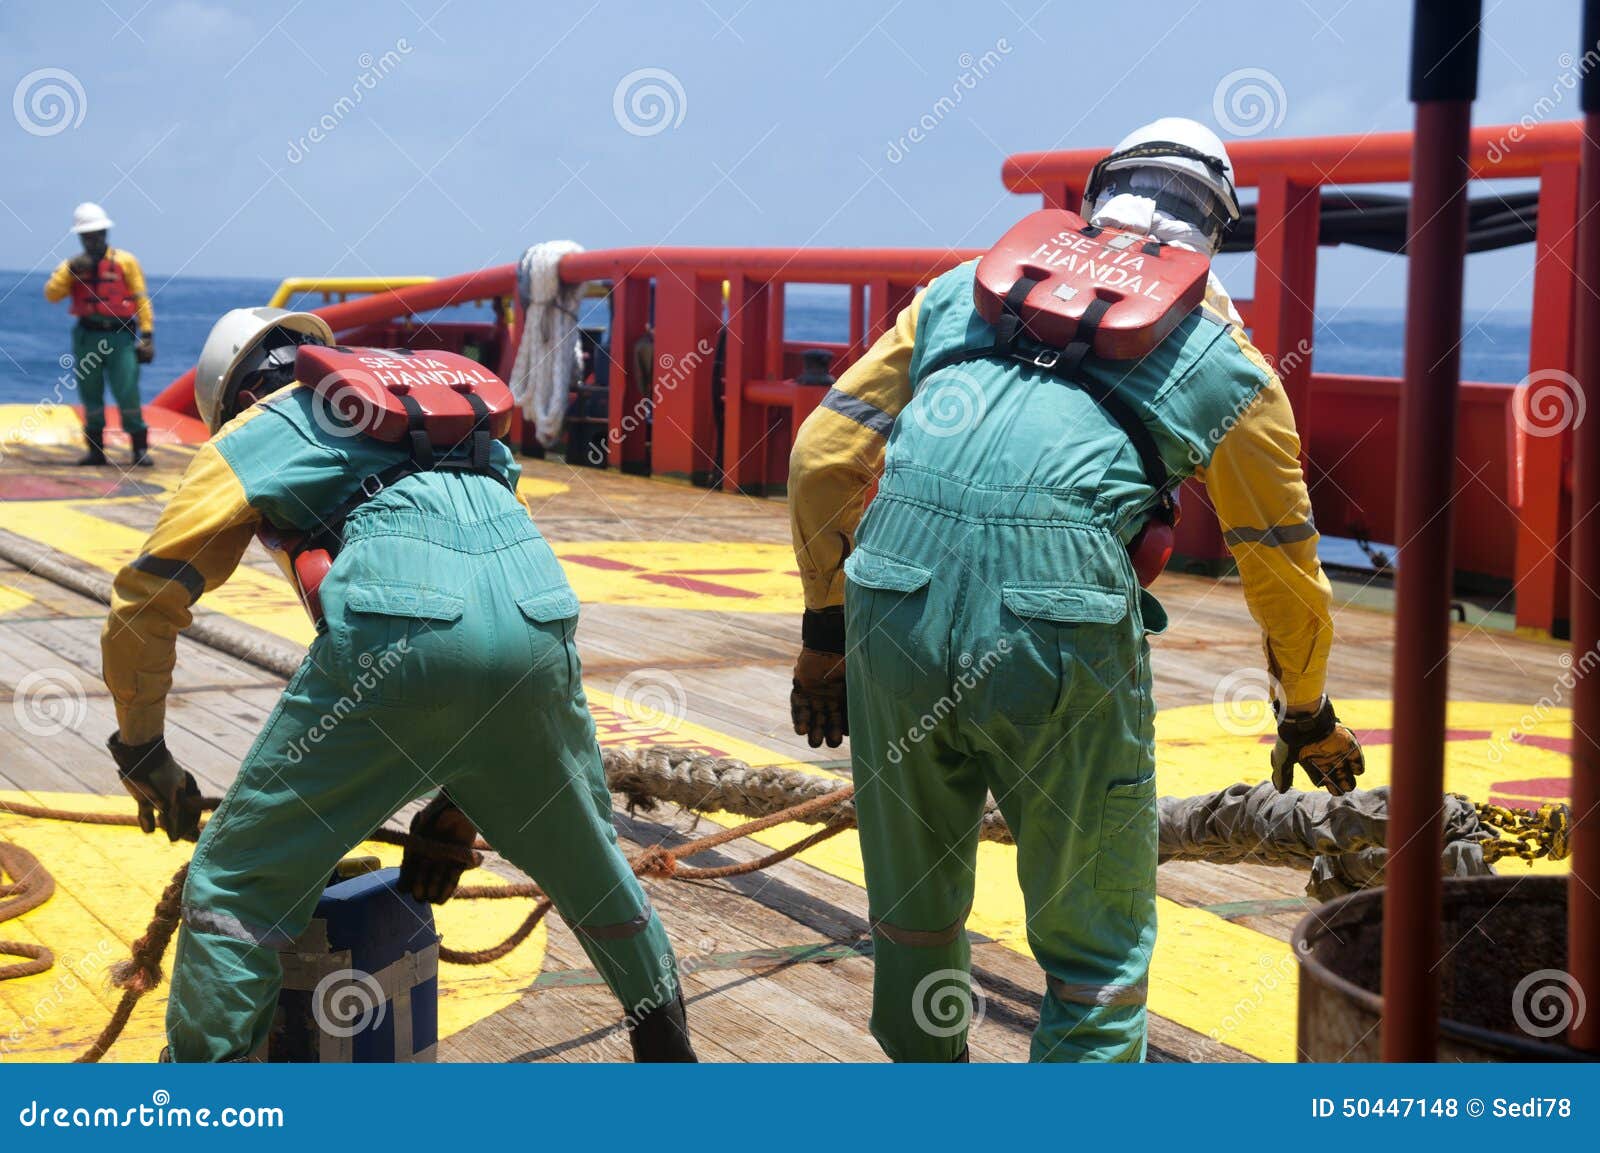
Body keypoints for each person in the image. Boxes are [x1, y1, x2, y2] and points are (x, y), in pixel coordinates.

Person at [786, 117, 1365, 1063]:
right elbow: (1283, 569)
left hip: (889, 602)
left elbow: (821, 459)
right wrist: (1305, 711)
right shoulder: (1229, 368)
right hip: (1058, 632)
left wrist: (824, 632)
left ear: (1093, 202)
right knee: (1095, 959)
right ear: (1214, 234)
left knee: (914, 914)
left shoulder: (953, 295)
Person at [100, 307, 696, 1062]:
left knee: (234, 886)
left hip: (396, 641)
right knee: (592, 868)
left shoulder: (260, 427)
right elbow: (485, 606)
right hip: (541, 627)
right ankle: (670, 1055)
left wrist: (142, 746)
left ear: (237, 397)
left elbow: (146, 598)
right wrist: (461, 806)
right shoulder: (444, 420)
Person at [43, 202, 156, 467]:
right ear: (81, 238)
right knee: (89, 392)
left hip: (120, 336)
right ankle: (95, 451)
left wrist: (148, 334)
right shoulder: (71, 266)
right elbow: (51, 294)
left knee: (127, 391)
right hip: (87, 335)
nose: (93, 241)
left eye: (98, 235)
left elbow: (141, 298)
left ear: (106, 234)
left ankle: (139, 448)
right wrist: (71, 272)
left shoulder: (126, 262)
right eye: (88, 236)